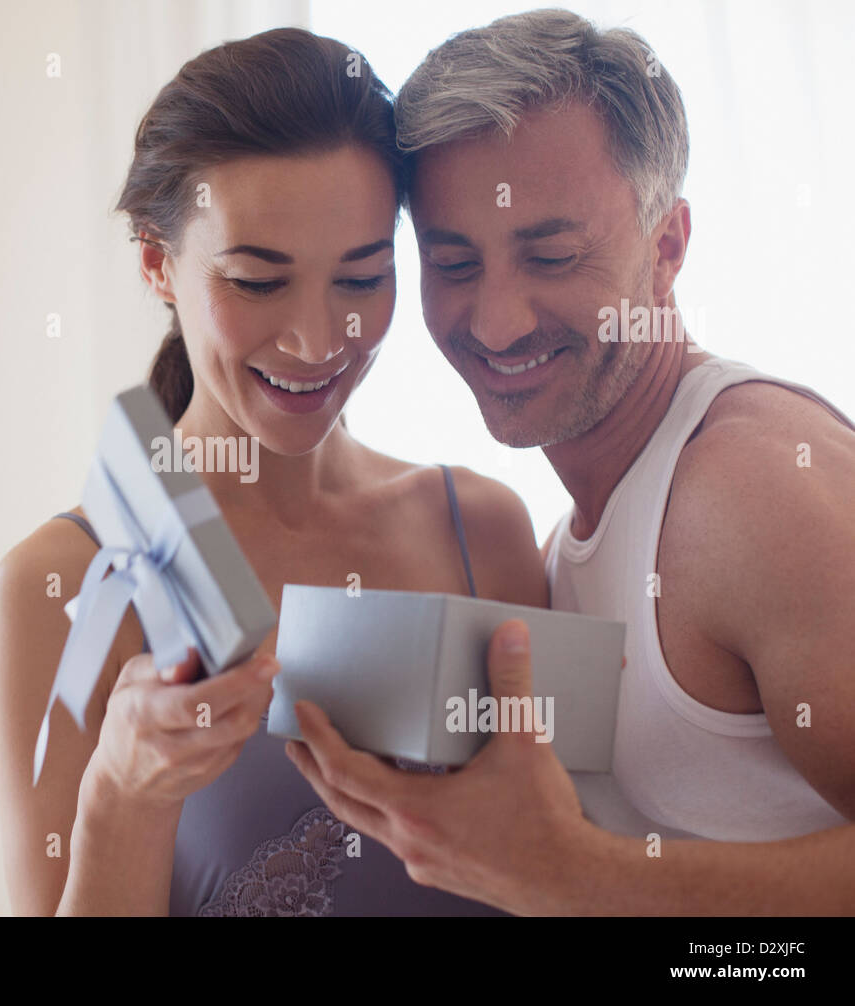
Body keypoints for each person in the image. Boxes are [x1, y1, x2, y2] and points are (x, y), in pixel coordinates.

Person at [286, 8, 855, 914]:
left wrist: (577, 879)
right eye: (454, 262)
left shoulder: (749, 494)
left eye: (551, 254)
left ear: (667, 248)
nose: (497, 320)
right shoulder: (574, 536)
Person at [0, 27, 547, 916]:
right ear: (155, 262)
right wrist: (123, 796)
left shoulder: (483, 529)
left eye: (362, 279)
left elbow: (563, 869)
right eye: (256, 282)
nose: (318, 342)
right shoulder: (64, 583)